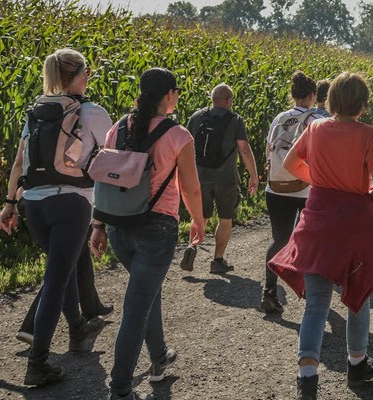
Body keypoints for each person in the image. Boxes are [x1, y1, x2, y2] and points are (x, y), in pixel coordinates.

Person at [267, 72, 373, 399]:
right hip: (353, 226)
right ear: (363, 105)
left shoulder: (315, 128)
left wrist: (322, 180)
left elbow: (293, 165)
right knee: (358, 295)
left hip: (317, 220)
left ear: (331, 100)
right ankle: (357, 365)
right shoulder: (370, 135)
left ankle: (307, 377)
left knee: (316, 304)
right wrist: (361, 189)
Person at [90, 67, 206, 400]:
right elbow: (191, 188)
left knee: (145, 293)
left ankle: (158, 359)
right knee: (137, 307)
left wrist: (98, 225)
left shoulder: (117, 128)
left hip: (118, 227)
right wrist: (198, 220)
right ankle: (121, 387)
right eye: (177, 92)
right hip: (156, 229)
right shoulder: (179, 135)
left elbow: (105, 178)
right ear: (169, 95)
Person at [0, 48, 110, 387]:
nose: (89, 77)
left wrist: (9, 205)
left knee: (67, 265)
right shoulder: (90, 112)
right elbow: (112, 160)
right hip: (71, 203)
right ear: (78, 76)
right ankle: (38, 364)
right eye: (87, 72)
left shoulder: (36, 111)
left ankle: (77, 327)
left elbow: (21, 163)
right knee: (56, 279)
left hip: (33, 204)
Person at [259, 71, 322, 314]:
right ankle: (311, 292)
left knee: (279, 239)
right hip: (306, 188)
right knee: (310, 239)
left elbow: (268, 151)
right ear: (312, 95)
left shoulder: (279, 118)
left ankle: (269, 292)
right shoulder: (317, 119)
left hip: (275, 188)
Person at [181, 83, 259, 274]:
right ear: (229, 100)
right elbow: (245, 150)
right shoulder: (235, 120)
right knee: (225, 218)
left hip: (200, 177)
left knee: (200, 217)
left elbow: (184, 145)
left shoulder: (197, 117)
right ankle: (217, 261)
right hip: (226, 178)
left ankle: (192, 247)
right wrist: (254, 176)